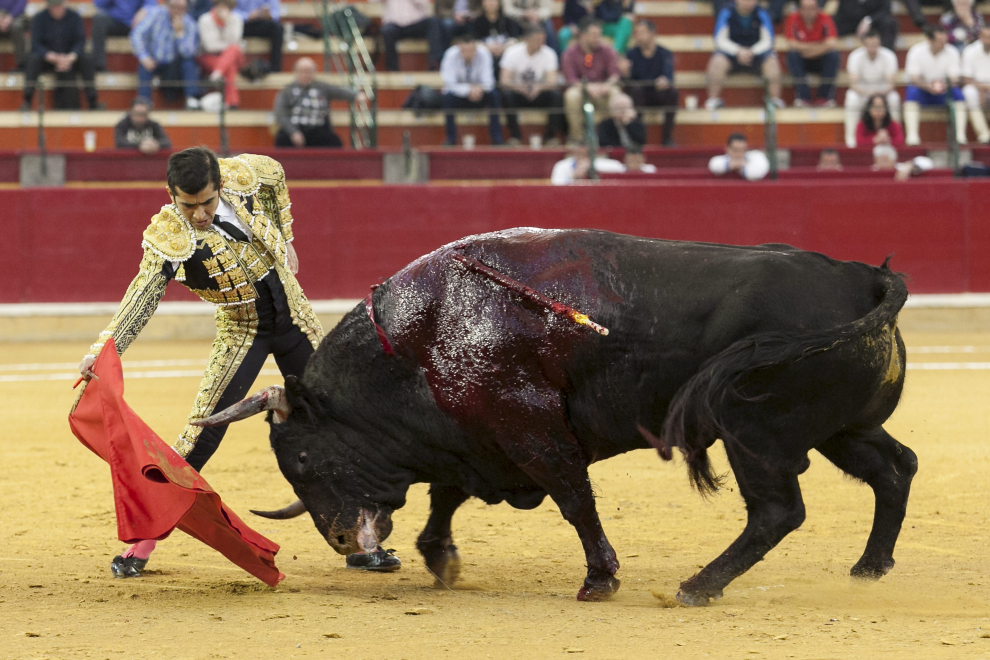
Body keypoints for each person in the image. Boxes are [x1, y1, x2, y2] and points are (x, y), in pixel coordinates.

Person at [77, 148, 402, 578]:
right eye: (186, 204)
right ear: (172, 194)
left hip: (296, 321)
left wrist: (285, 237)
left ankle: (362, 540)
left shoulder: (245, 176)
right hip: (242, 332)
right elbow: (141, 298)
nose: (197, 214)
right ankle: (142, 544)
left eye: (207, 203)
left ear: (220, 187)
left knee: (340, 426)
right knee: (202, 433)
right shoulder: (169, 236)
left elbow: (276, 176)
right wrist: (106, 348)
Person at [22, 0, 101, 110]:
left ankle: (93, 101)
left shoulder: (75, 17)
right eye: (53, 7)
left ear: (64, 5)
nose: (56, 10)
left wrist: (71, 57)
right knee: (32, 59)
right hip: (48, 58)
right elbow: (35, 44)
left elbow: (80, 41)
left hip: (70, 58)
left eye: (58, 6)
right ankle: (27, 100)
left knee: (87, 59)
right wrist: (51, 56)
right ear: (48, 7)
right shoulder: (39, 18)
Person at [705, 0, 783, 111]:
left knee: (772, 62)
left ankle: (774, 100)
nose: (748, 2)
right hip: (731, 55)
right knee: (717, 61)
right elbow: (719, 39)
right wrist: (738, 51)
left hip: (756, 55)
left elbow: (768, 40)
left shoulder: (762, 13)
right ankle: (713, 100)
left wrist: (752, 51)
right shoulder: (726, 12)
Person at [499, 24, 565, 145]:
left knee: (556, 96)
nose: (541, 43)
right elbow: (504, 80)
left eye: (542, 40)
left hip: (539, 93)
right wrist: (520, 88)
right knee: (506, 95)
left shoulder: (549, 53)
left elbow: (552, 81)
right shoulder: (512, 52)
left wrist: (538, 88)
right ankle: (515, 137)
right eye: (537, 40)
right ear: (527, 40)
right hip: (519, 93)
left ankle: (551, 137)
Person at [274, 57, 360, 148]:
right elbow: (280, 114)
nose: (305, 74)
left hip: (318, 130)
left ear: (314, 72)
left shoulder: (322, 87)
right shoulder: (287, 91)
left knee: (335, 142)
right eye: (302, 71)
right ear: (295, 72)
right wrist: (293, 132)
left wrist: (356, 95)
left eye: (308, 71)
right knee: (282, 141)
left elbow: (339, 92)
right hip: (295, 129)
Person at [903, 25, 966, 145]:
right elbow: (913, 77)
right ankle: (912, 136)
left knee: (959, 94)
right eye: (940, 41)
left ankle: (960, 135)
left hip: (944, 90)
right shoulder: (916, 51)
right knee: (911, 93)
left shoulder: (952, 52)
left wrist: (941, 86)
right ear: (930, 40)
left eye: (945, 41)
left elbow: (954, 78)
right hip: (924, 90)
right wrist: (928, 86)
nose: (944, 44)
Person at [561, 19, 621, 144]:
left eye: (599, 35)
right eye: (594, 35)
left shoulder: (606, 50)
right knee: (571, 95)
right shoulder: (570, 53)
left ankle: (613, 137)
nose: (598, 38)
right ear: (583, 36)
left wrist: (606, 85)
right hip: (582, 91)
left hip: (602, 90)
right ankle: (577, 138)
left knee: (616, 92)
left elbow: (615, 75)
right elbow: (571, 79)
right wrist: (587, 87)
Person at [131, 0, 200, 108]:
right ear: (167, 5)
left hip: (174, 64)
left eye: (181, 8)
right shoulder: (156, 14)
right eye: (174, 7)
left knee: (189, 64)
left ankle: (192, 100)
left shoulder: (189, 23)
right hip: (154, 60)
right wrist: (144, 57)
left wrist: (180, 33)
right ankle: (144, 103)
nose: (177, 11)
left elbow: (189, 53)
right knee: (144, 66)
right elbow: (137, 34)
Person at [440, 33, 503, 145]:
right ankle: (451, 139)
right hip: (459, 95)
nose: (469, 53)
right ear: (459, 47)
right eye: (465, 50)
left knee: (495, 95)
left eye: (471, 50)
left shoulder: (484, 54)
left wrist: (478, 89)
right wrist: (468, 90)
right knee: (447, 97)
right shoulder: (450, 55)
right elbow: (449, 83)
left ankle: (497, 139)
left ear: (475, 48)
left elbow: (489, 81)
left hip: (480, 94)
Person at [621, 20, 676, 146]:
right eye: (637, 33)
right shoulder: (631, 53)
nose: (638, 36)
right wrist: (625, 73)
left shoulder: (664, 53)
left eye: (641, 32)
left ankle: (667, 137)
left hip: (657, 92)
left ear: (652, 34)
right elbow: (628, 81)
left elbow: (669, 77)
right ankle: (637, 137)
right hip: (639, 94)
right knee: (636, 90)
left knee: (672, 93)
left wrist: (665, 81)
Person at [844, 29, 900, 148]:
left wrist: (879, 94)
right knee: (851, 98)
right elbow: (853, 83)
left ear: (879, 43)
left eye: (875, 45)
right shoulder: (855, 56)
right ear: (864, 45)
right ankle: (851, 139)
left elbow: (891, 83)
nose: (872, 48)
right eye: (869, 45)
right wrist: (868, 93)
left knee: (894, 99)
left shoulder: (889, 55)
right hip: (862, 91)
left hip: (883, 91)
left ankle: (895, 135)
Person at [783, 0, 839, 107]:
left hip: (819, 60)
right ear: (800, 9)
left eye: (812, 8)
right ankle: (803, 97)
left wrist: (806, 49)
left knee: (833, 55)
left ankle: (824, 97)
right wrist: (819, 46)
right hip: (802, 61)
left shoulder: (824, 17)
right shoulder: (793, 18)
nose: (808, 12)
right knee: (792, 55)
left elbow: (832, 43)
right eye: (805, 8)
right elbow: (791, 44)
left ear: (817, 9)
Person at [199, 0, 245, 109]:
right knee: (230, 64)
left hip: (232, 57)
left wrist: (227, 22)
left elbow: (234, 40)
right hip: (210, 57)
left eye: (226, 6)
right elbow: (210, 46)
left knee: (233, 50)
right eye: (220, 5)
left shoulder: (236, 19)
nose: (223, 8)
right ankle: (233, 103)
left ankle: (217, 73)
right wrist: (228, 48)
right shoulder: (205, 20)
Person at [379, 0, 445, 71]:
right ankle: (392, 69)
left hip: (416, 24)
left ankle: (434, 63)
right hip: (395, 25)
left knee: (433, 22)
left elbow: (424, 3)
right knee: (387, 31)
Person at [91, 0, 152, 72]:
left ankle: (149, 68)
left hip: (137, 23)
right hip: (116, 21)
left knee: (152, 22)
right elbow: (98, 4)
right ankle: (99, 67)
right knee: (99, 18)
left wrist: (144, 11)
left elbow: (151, 4)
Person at [558, 0, 634, 55]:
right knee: (563, 34)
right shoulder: (572, 1)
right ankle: (565, 60)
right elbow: (566, 16)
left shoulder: (598, 2)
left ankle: (615, 54)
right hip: (576, 26)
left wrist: (621, 5)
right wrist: (572, 25)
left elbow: (606, 16)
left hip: (595, 26)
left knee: (626, 24)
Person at [473, 0, 521, 72]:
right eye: (487, 1)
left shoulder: (508, 21)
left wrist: (503, 48)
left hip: (504, 52)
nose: (491, 3)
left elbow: (514, 39)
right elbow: (475, 41)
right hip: (485, 53)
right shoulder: (477, 22)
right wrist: (488, 48)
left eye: (494, 1)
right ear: (483, 3)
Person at [234, 0, 282, 72]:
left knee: (278, 29)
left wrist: (270, 15)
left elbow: (276, 13)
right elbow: (231, 11)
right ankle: (234, 68)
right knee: (231, 27)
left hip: (262, 23)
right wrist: (248, 16)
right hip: (242, 24)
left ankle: (275, 69)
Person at [962, 25, 990, 143]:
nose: (988, 40)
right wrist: (982, 88)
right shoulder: (970, 50)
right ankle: (984, 135)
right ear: (979, 36)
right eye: (986, 37)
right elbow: (966, 79)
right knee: (968, 93)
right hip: (975, 86)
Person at [550, 144, 626, 184]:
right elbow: (556, 184)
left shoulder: (599, 163)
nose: (582, 156)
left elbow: (621, 169)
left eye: (585, 154)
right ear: (574, 153)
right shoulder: (562, 165)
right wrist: (574, 177)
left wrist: (591, 166)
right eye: (579, 153)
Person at [0, 0, 28, 71]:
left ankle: (21, 64)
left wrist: (10, 17)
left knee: (17, 26)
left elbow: (21, 2)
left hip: (15, 17)